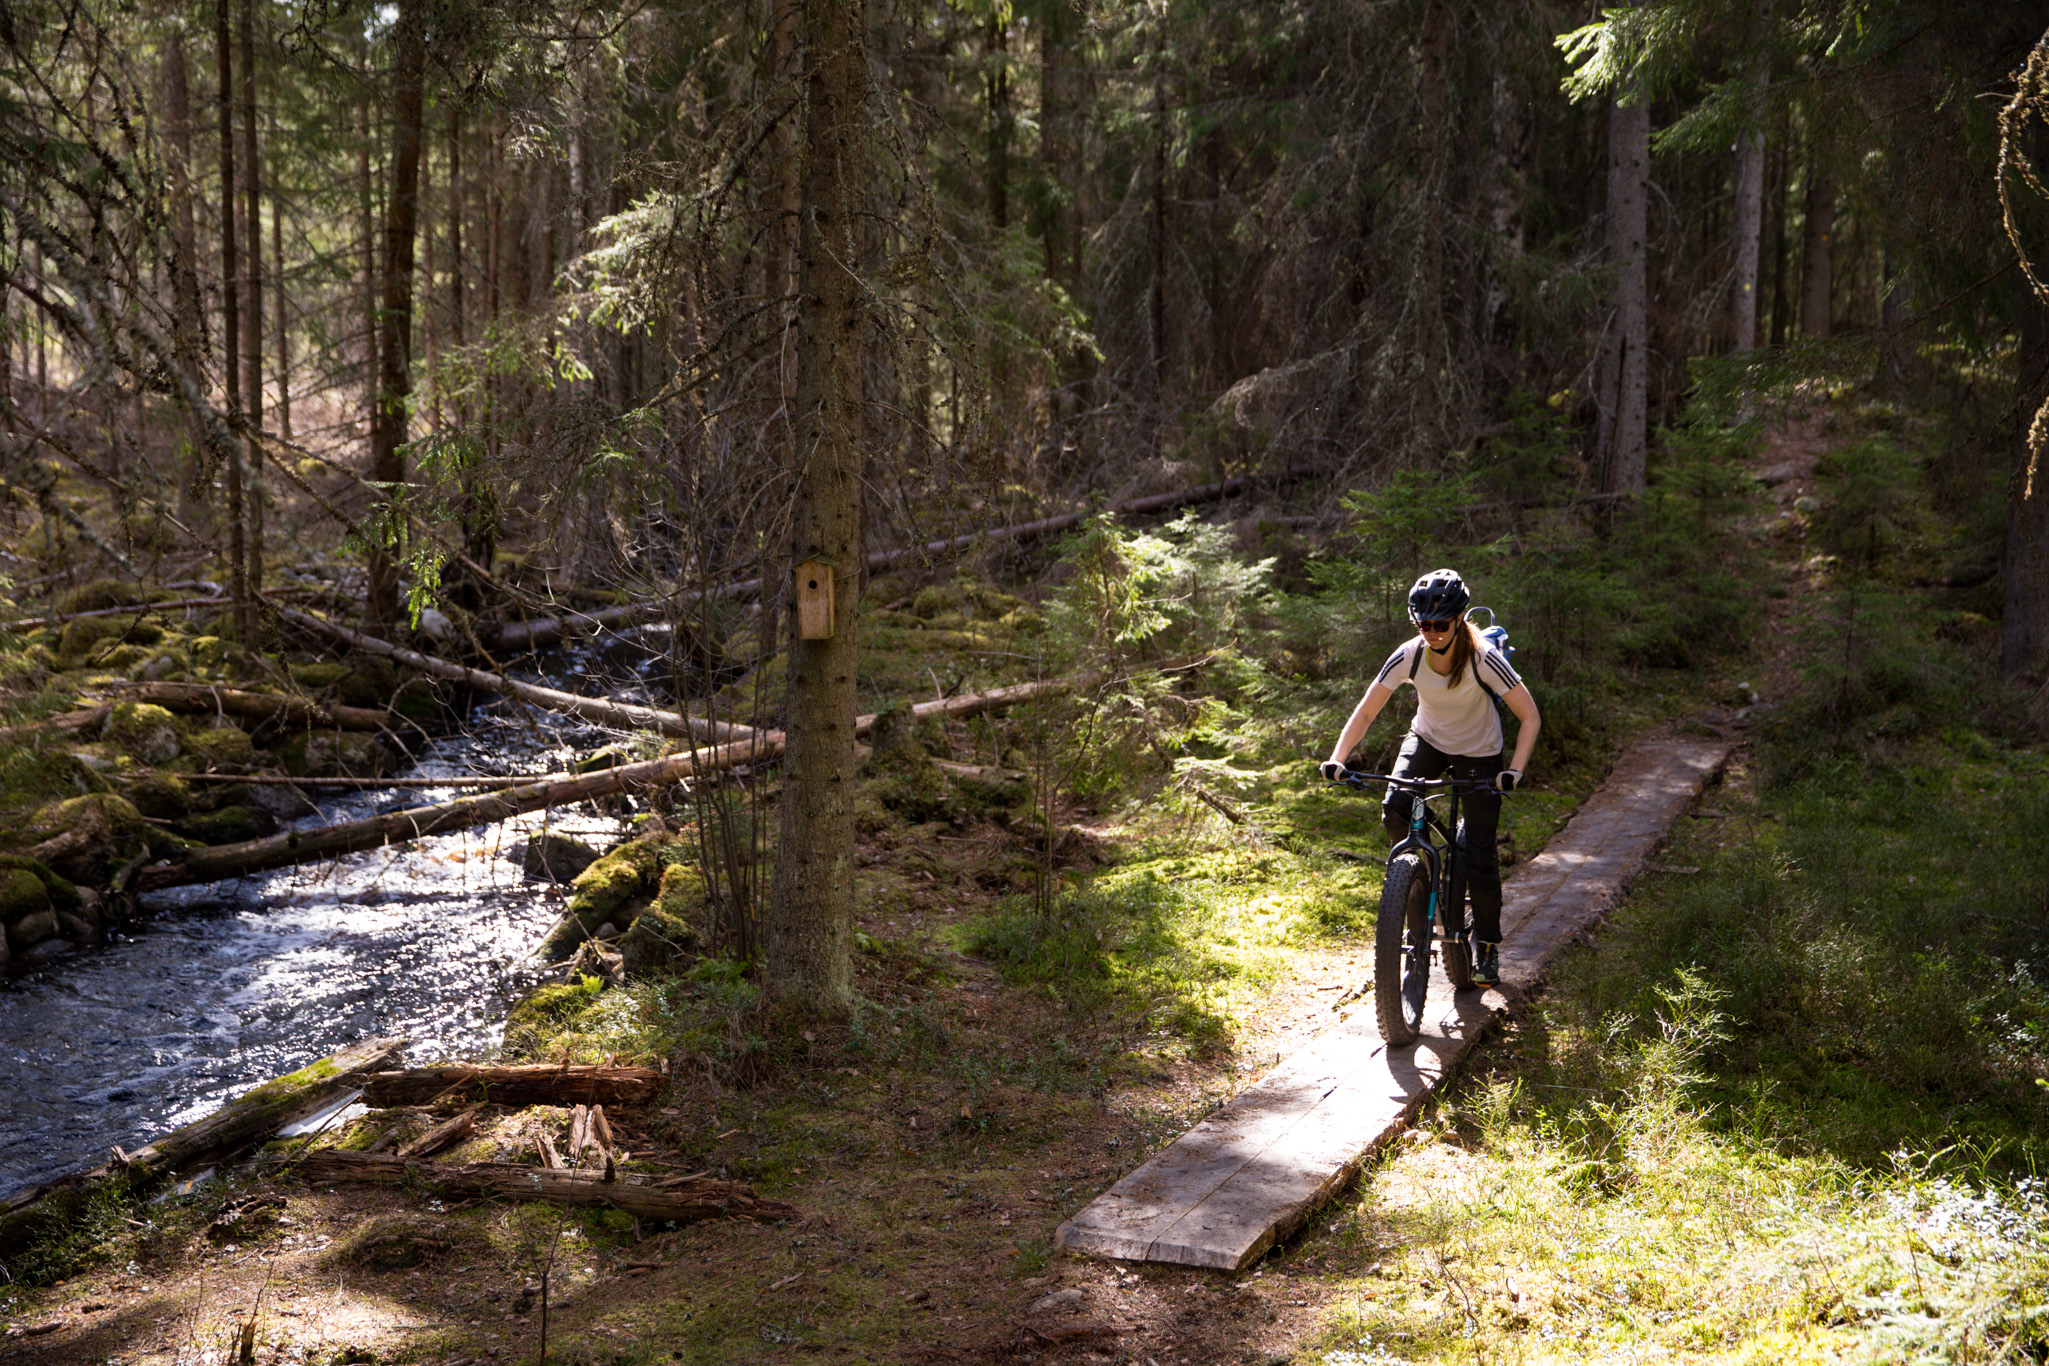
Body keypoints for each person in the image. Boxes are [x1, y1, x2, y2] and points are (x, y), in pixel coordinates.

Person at [1319, 569, 1541, 988]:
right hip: (1428, 740)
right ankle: (1417, 882)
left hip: (1480, 753)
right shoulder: (1409, 654)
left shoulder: (1483, 658)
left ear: (1459, 620)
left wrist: (1514, 770)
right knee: (1394, 808)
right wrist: (1337, 758)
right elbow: (1367, 711)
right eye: (1424, 625)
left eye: (1441, 624)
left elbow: (1529, 716)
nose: (1433, 633)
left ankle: (1487, 945)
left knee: (1478, 853)